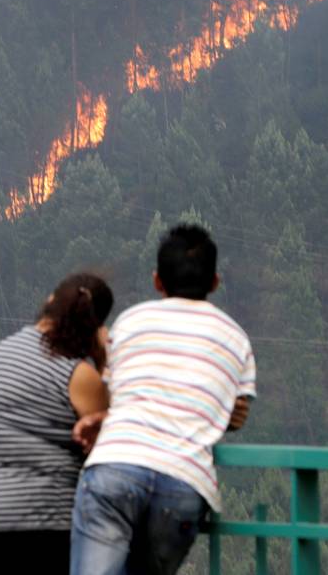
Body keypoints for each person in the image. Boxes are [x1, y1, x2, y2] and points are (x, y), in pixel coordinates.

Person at [69, 225, 256, 575]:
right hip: (184, 481)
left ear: (157, 281)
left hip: (115, 466)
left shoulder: (131, 321)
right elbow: (235, 416)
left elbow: (115, 392)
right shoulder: (236, 338)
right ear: (215, 282)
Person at [0, 273, 113, 574]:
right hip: (37, 527)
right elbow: (106, 448)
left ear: (49, 303)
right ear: (95, 329)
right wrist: (103, 363)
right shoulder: (78, 375)